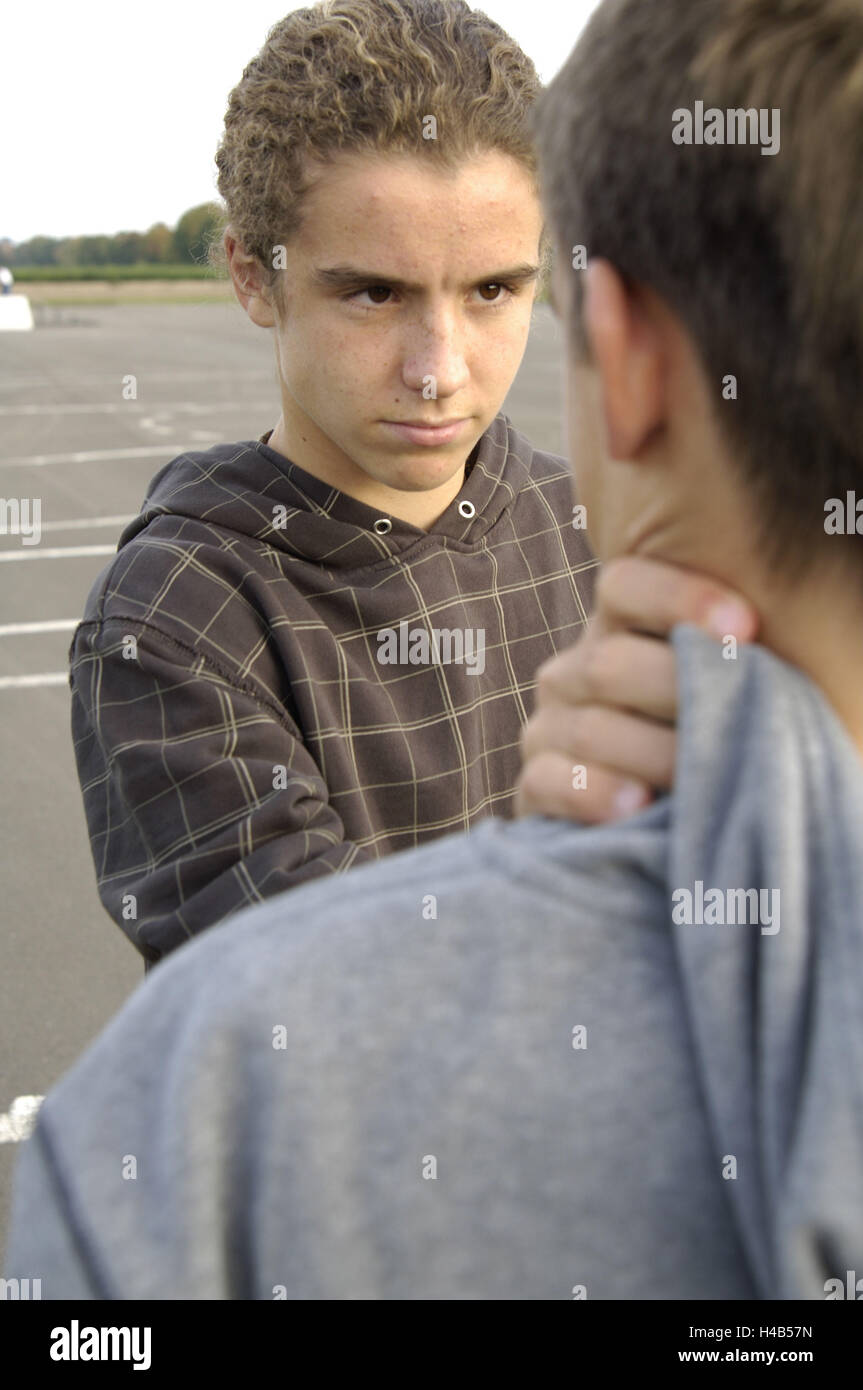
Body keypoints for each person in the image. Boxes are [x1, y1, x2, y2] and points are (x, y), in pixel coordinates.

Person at [11, 0, 861, 1299]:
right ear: (253, 274)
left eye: (496, 290)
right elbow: (326, 1029)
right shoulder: (175, 612)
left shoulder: (581, 511)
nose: (440, 367)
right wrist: (561, 842)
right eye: (373, 291)